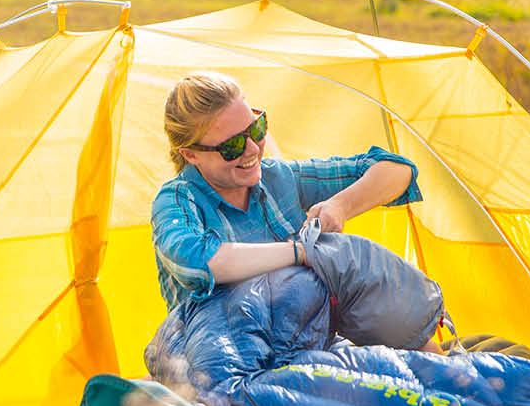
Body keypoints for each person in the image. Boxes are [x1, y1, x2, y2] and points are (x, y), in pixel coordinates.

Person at [151, 71, 421, 312]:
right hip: (222, 356)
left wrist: (341, 205)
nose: (253, 149)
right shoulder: (176, 201)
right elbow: (199, 261)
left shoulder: (279, 177)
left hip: (300, 335)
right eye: (232, 146)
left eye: (256, 128)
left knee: (412, 330)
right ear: (191, 154)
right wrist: (300, 253)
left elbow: (398, 170)